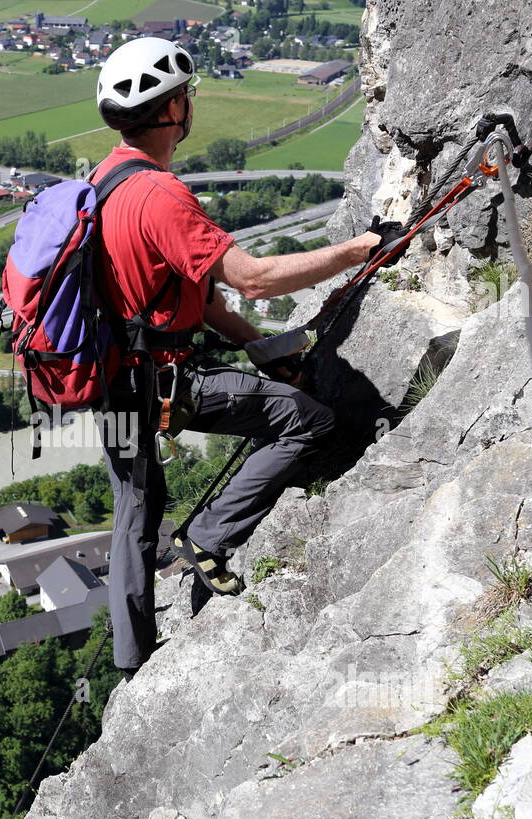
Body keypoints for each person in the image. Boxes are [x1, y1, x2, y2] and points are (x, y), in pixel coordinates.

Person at [88, 37, 398, 678]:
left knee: (134, 510)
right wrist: (362, 247)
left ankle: (131, 659)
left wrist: (258, 349)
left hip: (110, 384)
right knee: (308, 421)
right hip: (163, 384)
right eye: (186, 96)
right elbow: (253, 278)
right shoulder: (160, 196)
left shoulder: (104, 182)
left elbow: (189, 299)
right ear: (174, 109)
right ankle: (208, 540)